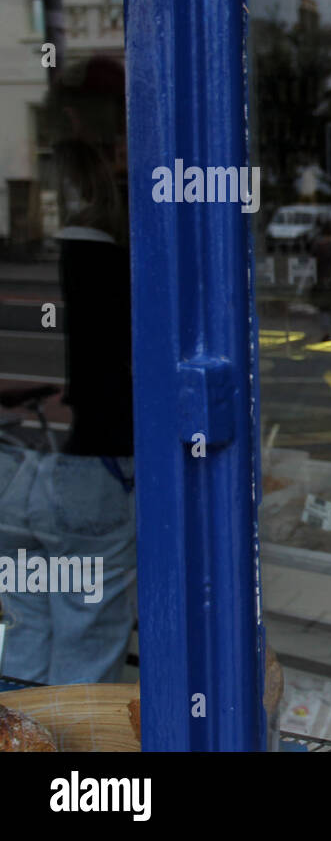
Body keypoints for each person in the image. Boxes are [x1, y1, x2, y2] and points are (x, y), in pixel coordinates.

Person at [0, 55, 137, 684]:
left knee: (28, 629)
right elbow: (112, 382)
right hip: (90, 469)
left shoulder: (54, 246)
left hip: (16, 463)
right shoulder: (110, 254)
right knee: (88, 648)